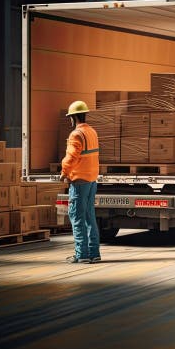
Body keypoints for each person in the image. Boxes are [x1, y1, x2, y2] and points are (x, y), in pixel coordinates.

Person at [60, 101, 101, 264]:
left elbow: (71, 157)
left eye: (70, 117)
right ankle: (94, 253)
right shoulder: (92, 132)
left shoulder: (76, 134)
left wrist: (64, 172)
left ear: (73, 117)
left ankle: (81, 254)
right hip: (92, 179)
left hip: (79, 180)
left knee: (76, 216)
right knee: (89, 217)